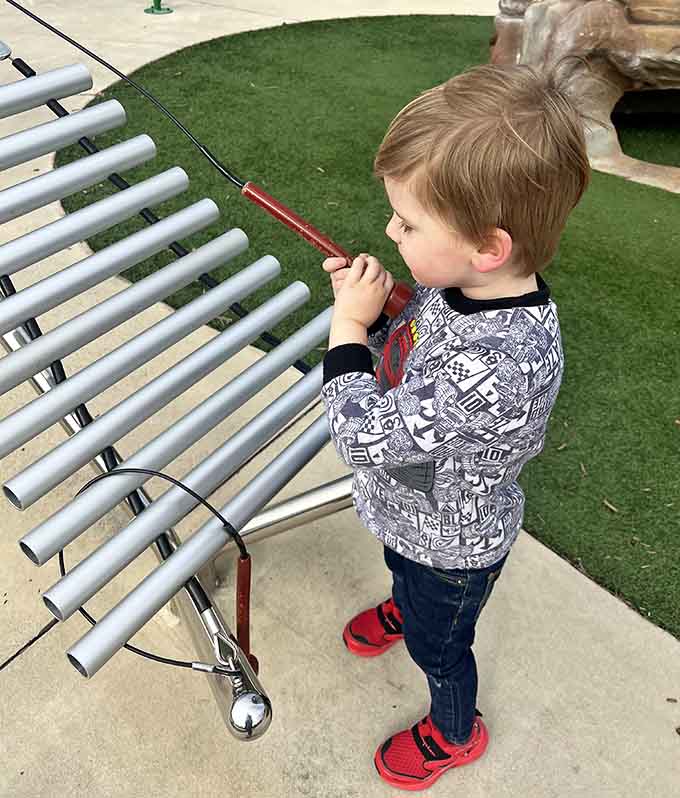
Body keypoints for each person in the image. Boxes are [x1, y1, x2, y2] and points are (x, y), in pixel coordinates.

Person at [320, 63, 590, 790]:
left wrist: (348, 329)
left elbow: (361, 435)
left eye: (408, 222)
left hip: (453, 545)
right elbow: (411, 358)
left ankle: (452, 729)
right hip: (415, 513)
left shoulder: (501, 365)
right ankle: (407, 606)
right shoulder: (463, 287)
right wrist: (381, 326)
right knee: (403, 574)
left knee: (442, 648)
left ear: (488, 246)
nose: (389, 229)